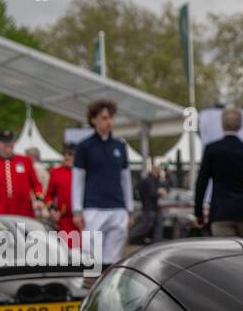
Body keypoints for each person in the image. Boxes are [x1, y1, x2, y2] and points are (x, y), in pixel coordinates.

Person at [72, 98, 134, 269]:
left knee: (113, 259)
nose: (109, 122)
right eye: (105, 118)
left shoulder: (120, 146)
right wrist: (77, 210)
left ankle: (109, 292)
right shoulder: (84, 147)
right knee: (92, 258)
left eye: (111, 118)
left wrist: (129, 209)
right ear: (94, 120)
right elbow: (77, 180)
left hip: (117, 208)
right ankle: (90, 291)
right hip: (93, 209)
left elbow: (126, 180)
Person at [194, 107, 243, 238]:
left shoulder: (212, 150)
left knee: (225, 254)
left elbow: (202, 182)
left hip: (221, 213)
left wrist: (198, 213)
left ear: (222, 124)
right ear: (240, 125)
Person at [0, 130, 44, 217]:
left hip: (23, 210)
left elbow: (36, 183)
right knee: (0, 231)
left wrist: (39, 198)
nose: (8, 145)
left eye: (10, 142)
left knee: (21, 230)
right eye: (4, 142)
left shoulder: (25, 161)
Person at [44, 143, 79, 246]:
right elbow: (48, 196)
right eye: (64, 154)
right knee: (67, 251)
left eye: (70, 154)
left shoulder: (84, 172)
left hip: (83, 219)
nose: (67, 156)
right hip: (64, 220)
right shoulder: (56, 172)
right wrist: (52, 210)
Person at [138, 164, 166, 243]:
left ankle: (158, 242)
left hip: (153, 207)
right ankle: (130, 236)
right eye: (157, 171)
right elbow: (152, 194)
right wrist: (160, 193)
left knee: (158, 225)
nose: (158, 173)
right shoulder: (150, 181)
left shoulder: (153, 180)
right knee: (146, 226)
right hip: (149, 207)